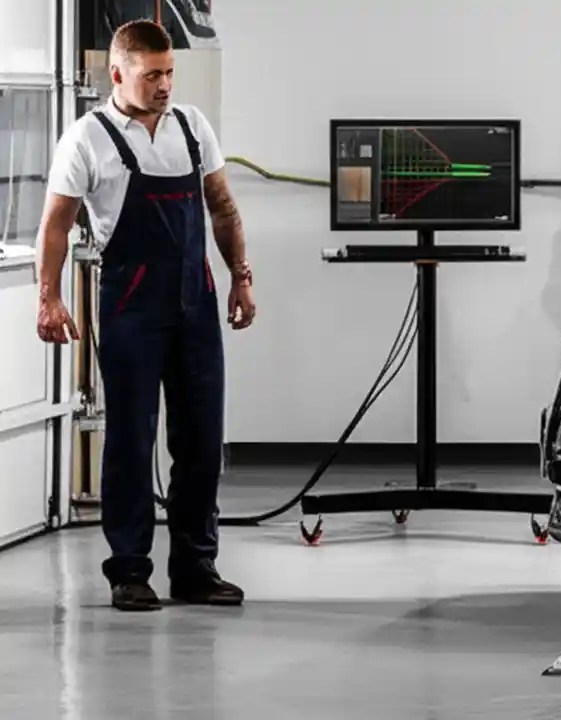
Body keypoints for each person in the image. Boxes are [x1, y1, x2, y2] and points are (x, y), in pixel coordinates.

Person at [35, 19, 256, 611]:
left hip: (196, 303)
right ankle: (129, 570)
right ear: (118, 73)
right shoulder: (87, 137)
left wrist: (241, 277)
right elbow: (54, 225)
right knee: (131, 441)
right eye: (151, 74)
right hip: (131, 304)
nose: (164, 85)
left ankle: (195, 567)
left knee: (202, 441)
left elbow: (223, 209)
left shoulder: (192, 128)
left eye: (169, 74)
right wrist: (48, 297)